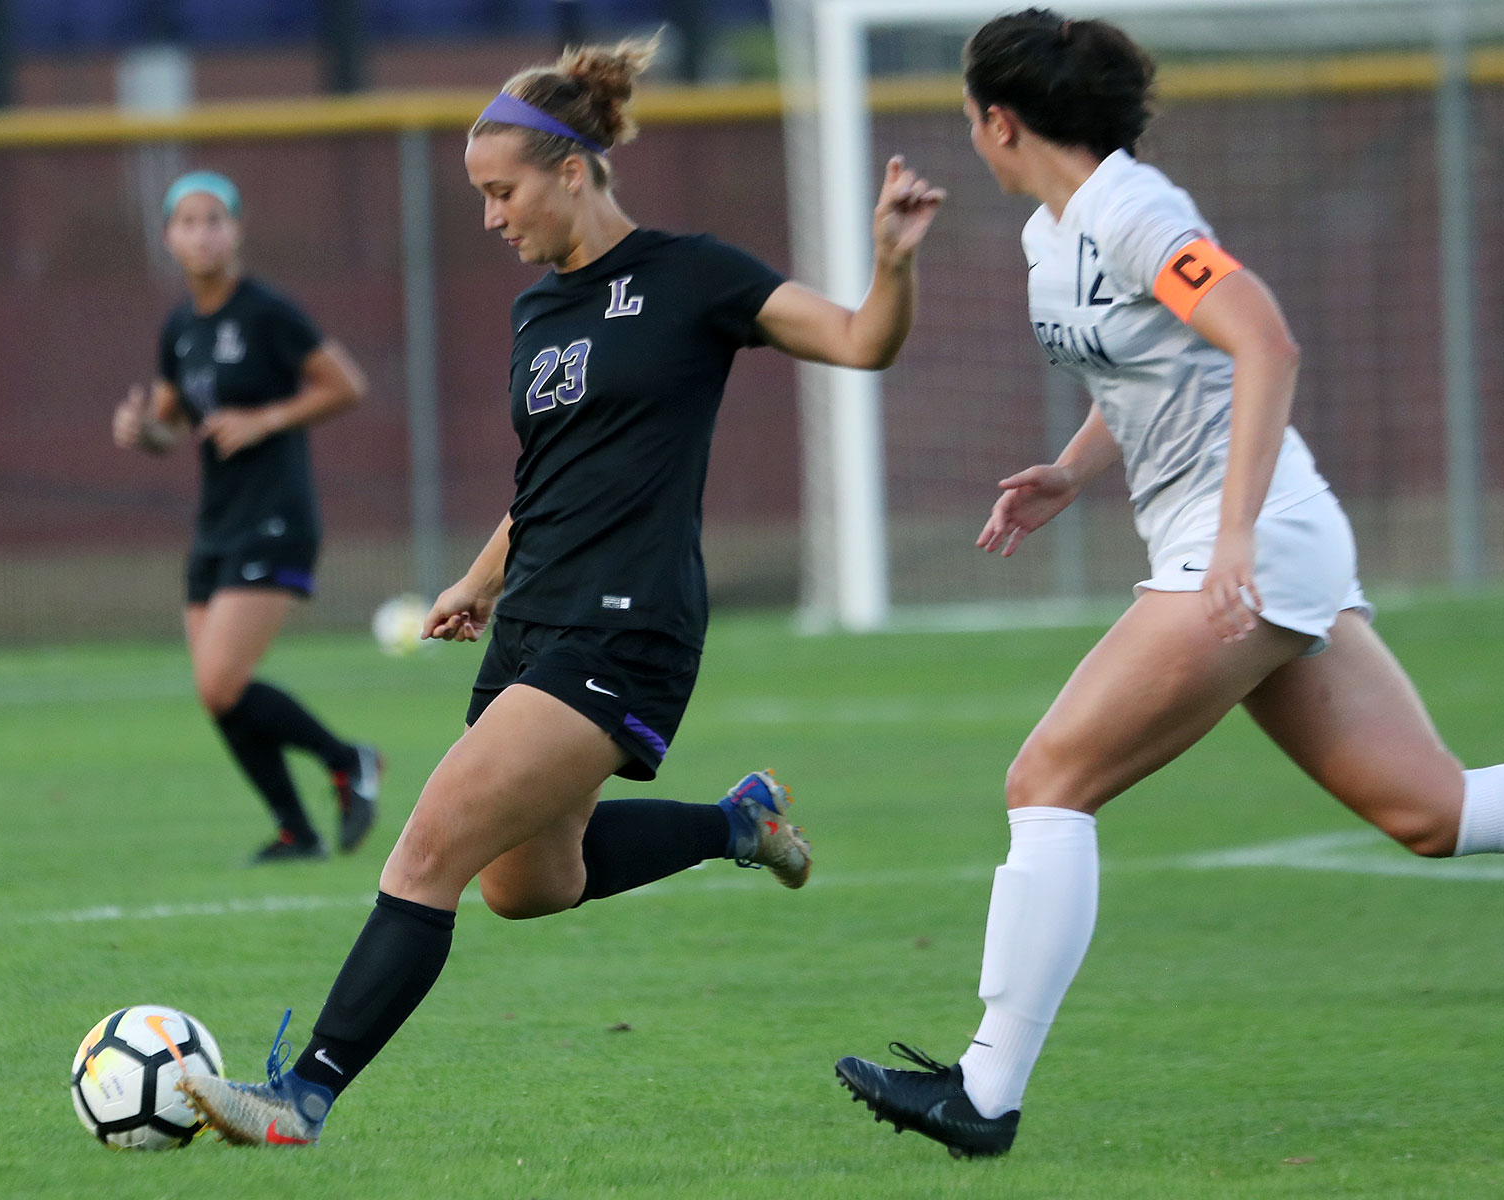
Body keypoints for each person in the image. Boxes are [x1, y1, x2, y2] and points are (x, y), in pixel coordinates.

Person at [834, 7, 1504, 1161]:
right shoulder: (1051, 231)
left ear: (1000, 118)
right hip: (1258, 543)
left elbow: (1263, 340)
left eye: (968, 114)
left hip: (1252, 543)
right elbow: (1147, 375)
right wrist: (1071, 475)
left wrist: (1229, 543)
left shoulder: (1133, 208)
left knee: (1047, 780)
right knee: (1436, 812)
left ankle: (984, 1091)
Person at [177, 34, 945, 1145]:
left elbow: (864, 341)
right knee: (526, 886)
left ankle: (302, 1094)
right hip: (533, 620)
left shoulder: (696, 276)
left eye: (502, 193)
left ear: (571, 171)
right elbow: (545, 485)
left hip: (631, 626)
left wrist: (894, 261)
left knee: (428, 845)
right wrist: (478, 581)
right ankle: (739, 824)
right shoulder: (538, 316)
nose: (492, 219)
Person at [113, 171, 385, 866]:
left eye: (215, 219)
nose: (202, 233)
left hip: (277, 516)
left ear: (237, 229)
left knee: (218, 680)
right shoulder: (180, 326)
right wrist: (142, 430)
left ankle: (348, 759)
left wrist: (266, 418)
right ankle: (296, 831)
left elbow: (347, 385)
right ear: (168, 236)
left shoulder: (267, 311)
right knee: (219, 694)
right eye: (188, 221)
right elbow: (172, 425)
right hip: (217, 523)